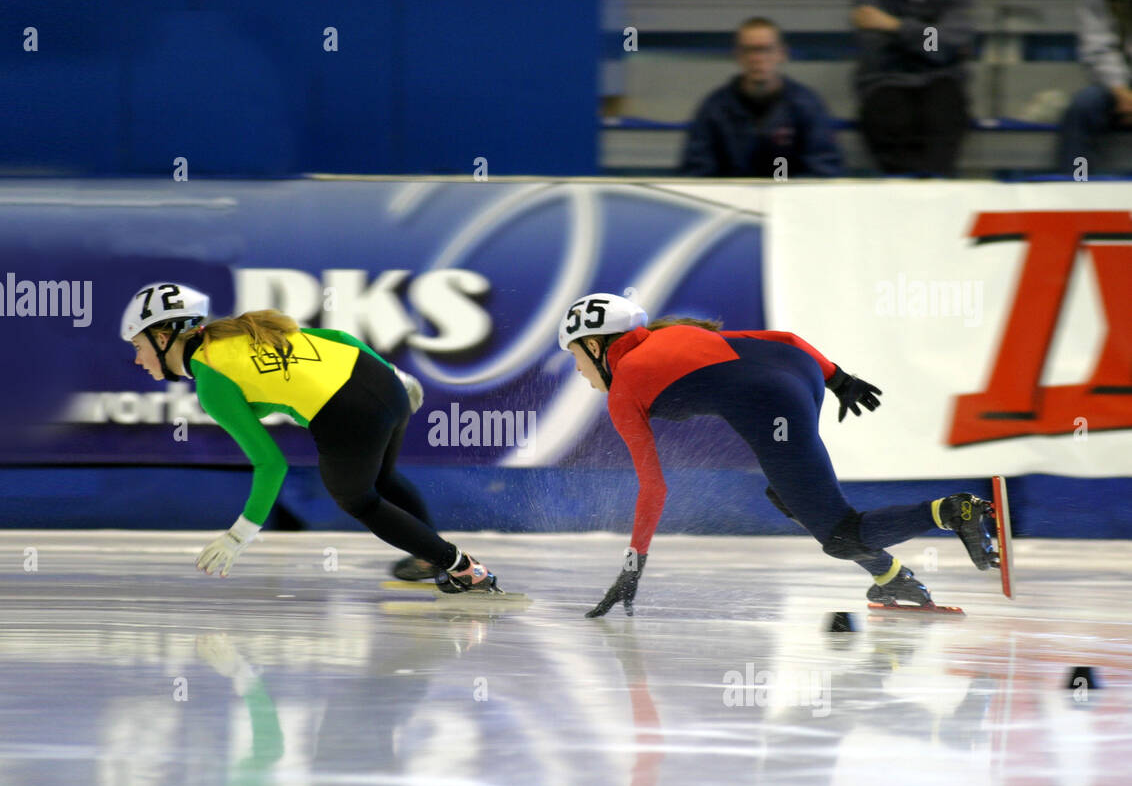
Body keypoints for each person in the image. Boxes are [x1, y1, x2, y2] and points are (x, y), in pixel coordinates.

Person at [558, 293, 997, 617]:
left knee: (841, 535)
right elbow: (785, 338)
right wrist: (840, 379)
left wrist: (633, 565)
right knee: (790, 497)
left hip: (772, 402)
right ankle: (890, 578)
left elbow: (654, 487)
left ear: (596, 346)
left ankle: (953, 511)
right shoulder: (672, 333)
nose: (578, 370)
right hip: (798, 372)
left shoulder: (624, 389)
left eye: (576, 355)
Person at [120, 282, 497, 593]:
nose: (138, 360)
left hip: (348, 413)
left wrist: (240, 534)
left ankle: (462, 568)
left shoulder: (211, 382)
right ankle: (430, 555)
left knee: (358, 500)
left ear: (164, 336)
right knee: (381, 478)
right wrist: (394, 374)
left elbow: (271, 463)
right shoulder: (239, 332)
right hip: (381, 380)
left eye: (138, 347)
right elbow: (336, 336)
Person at [679, 16, 843, 178]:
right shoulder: (714, 110)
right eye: (749, 50)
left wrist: (785, 192)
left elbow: (823, 172)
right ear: (738, 55)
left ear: (782, 54)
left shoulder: (807, 106)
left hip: (791, 202)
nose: (758, 58)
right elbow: (697, 174)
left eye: (766, 49)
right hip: (729, 202)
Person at [852, 0, 974, 177]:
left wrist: (896, 26)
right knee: (890, 109)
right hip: (884, 85)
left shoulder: (954, 3)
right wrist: (930, 36)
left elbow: (943, 45)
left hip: (942, 87)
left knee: (944, 104)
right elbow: (876, 46)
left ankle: (935, 187)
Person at [1056, 0, 1132, 174]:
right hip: (1118, 84)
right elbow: (1097, 46)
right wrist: (1121, 91)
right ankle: (1077, 182)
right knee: (1084, 106)